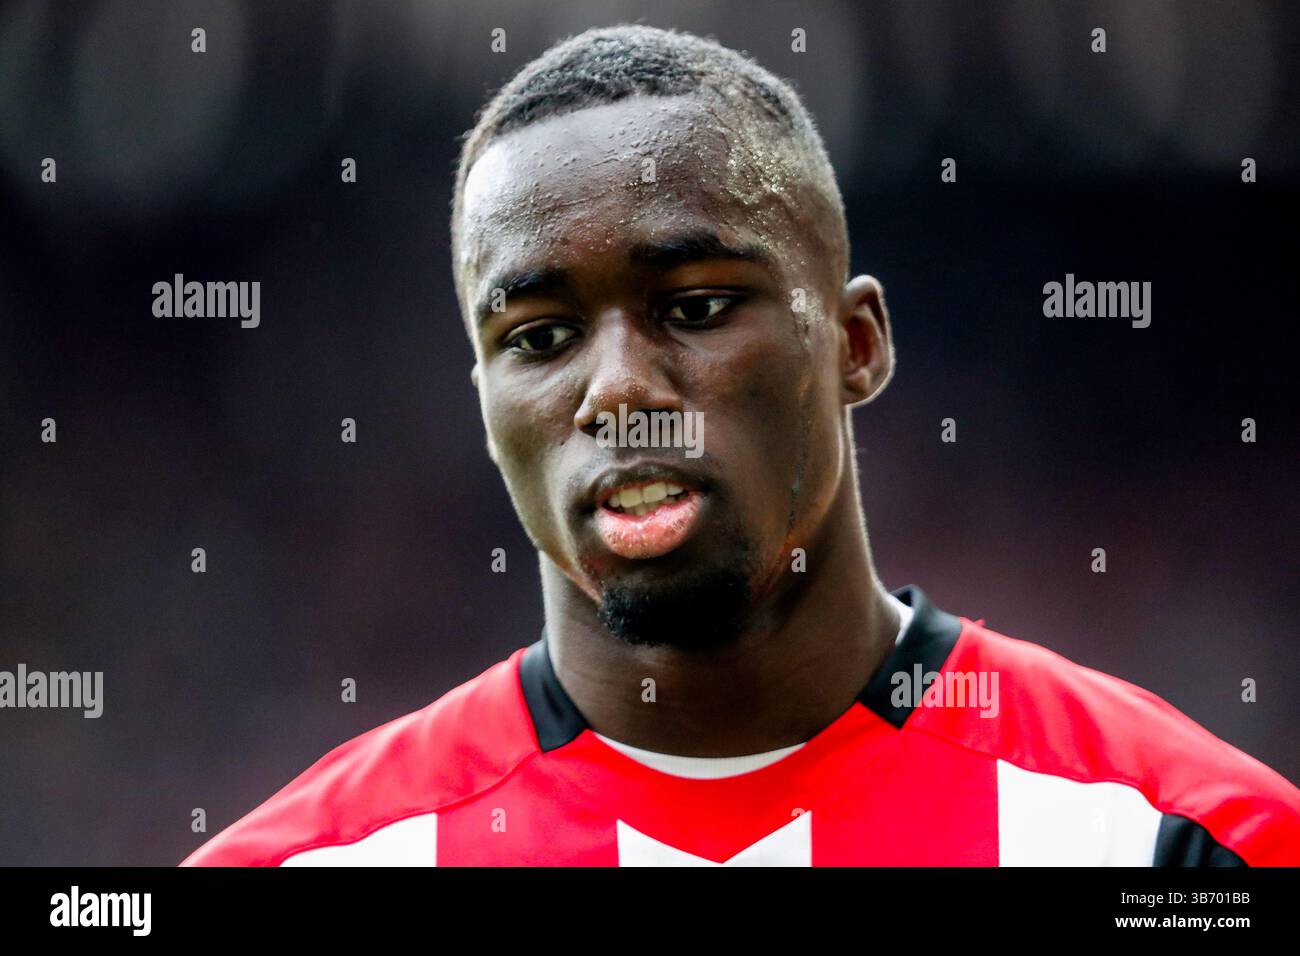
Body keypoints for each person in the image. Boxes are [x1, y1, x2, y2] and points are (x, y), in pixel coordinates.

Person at [183, 24, 1299, 866]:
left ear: (855, 343)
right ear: (485, 396)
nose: (617, 388)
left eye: (698, 306)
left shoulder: (1182, 842)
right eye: (542, 335)